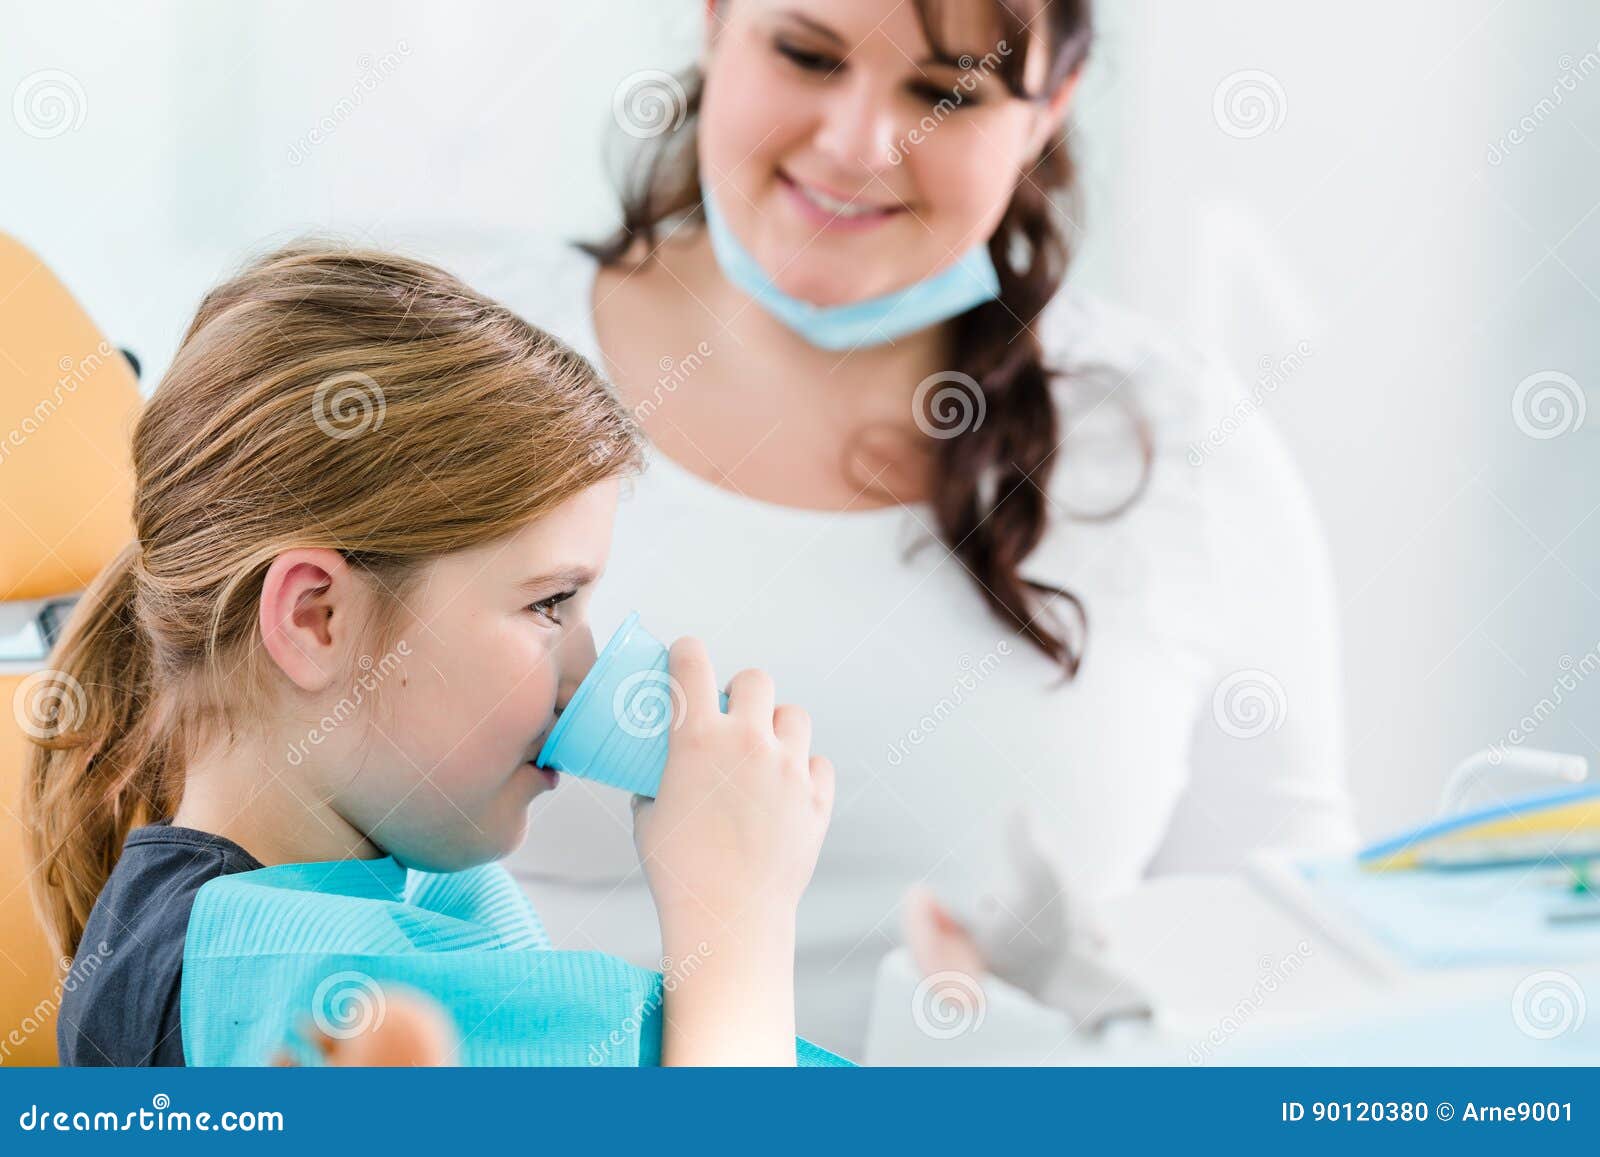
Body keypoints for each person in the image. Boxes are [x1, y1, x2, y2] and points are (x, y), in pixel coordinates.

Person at [454, 0, 1358, 1056]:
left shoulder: (1181, 447)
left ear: (1047, 110)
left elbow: (1286, 956)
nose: (860, 145)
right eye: (804, 54)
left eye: (944, 94)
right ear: (712, 25)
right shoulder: (456, 370)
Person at [23, 243, 836, 1067]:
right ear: (316, 619)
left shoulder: (381, 885)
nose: (586, 674)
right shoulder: (326, 997)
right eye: (549, 603)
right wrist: (738, 924)